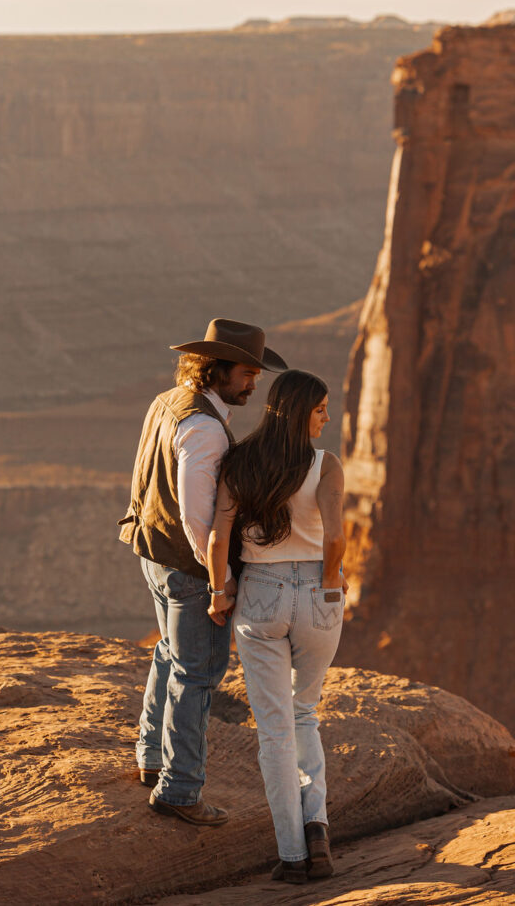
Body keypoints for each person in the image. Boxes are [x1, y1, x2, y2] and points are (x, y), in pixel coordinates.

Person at [119, 318, 287, 826]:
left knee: (171, 654)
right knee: (198, 674)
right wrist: (219, 581)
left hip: (152, 549)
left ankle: (152, 759)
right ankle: (180, 789)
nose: (253, 383)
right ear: (216, 368)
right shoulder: (205, 427)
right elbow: (198, 515)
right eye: (246, 372)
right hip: (189, 569)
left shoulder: (168, 400)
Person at [207, 369, 347, 881]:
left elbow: (218, 539)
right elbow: (335, 537)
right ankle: (318, 828)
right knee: (304, 712)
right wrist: (330, 581)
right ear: (297, 412)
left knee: (274, 731)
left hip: (261, 594)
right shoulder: (324, 464)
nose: (327, 418)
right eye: (320, 409)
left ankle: (292, 856)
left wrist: (219, 591)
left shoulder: (240, 460)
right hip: (318, 594)